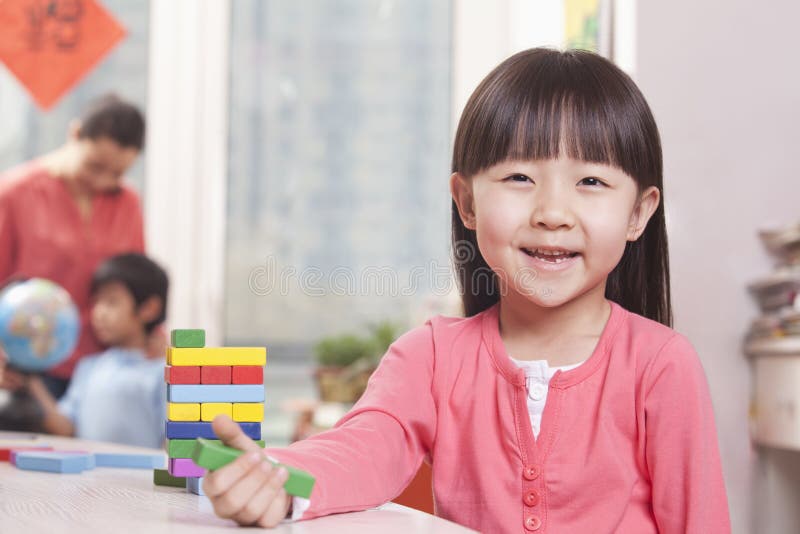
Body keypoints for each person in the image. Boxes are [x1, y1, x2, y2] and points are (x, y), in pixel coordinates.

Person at [201, 48, 731, 532]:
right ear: (467, 202)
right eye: (519, 177)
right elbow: (363, 448)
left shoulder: (662, 366)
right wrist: (276, 478)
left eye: (590, 181)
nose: (552, 213)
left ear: (638, 212)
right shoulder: (430, 358)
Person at [0, 94, 147, 399]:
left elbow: (136, 282)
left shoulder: (127, 202)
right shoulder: (14, 193)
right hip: (27, 366)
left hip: (102, 366)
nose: (102, 182)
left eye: (117, 173)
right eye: (94, 166)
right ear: (75, 134)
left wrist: (150, 336)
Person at [0, 253, 169, 448]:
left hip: (142, 467)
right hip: (88, 468)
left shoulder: (162, 372)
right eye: (96, 302)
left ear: (149, 308)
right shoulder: (89, 367)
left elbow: (173, 440)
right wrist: (31, 383)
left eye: (111, 302)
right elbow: (66, 427)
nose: (99, 313)